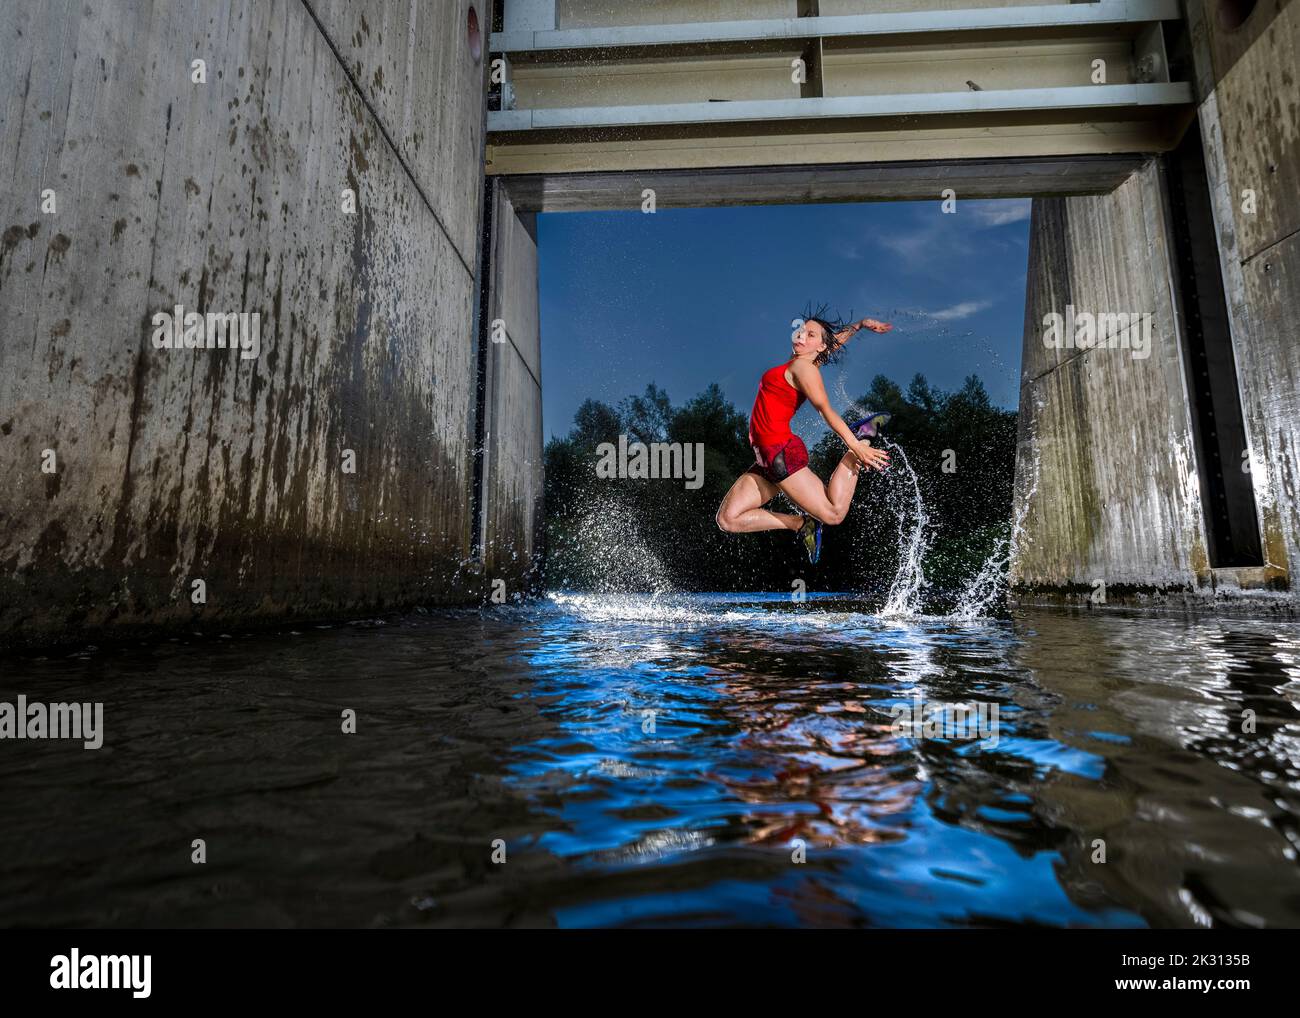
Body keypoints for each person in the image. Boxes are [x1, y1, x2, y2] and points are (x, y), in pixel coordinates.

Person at [715, 309, 893, 564]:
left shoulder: (803, 368)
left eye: (810, 335)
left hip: (780, 454)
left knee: (833, 514)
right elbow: (829, 345)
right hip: (767, 458)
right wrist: (859, 325)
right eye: (801, 331)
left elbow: (825, 410)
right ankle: (801, 524)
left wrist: (854, 445)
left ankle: (860, 438)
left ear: (819, 345)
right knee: (728, 519)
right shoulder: (800, 363)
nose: (801, 336)